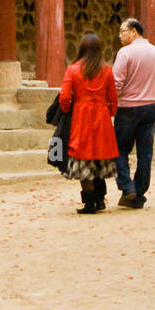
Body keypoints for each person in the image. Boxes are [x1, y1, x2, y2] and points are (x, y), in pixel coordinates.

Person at [58, 33, 119, 214]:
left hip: (81, 117)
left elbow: (64, 96)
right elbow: (113, 99)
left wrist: (67, 109)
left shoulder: (73, 69)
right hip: (101, 117)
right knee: (99, 156)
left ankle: (89, 202)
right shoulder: (107, 70)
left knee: (83, 157)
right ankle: (100, 199)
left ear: (81, 48)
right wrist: (109, 114)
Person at [112, 17, 155, 210]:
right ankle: (138, 193)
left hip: (127, 108)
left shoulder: (125, 53)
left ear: (134, 32)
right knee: (145, 153)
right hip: (150, 108)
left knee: (119, 148)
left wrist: (112, 103)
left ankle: (127, 187)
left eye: (122, 31)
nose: (120, 35)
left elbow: (116, 83)